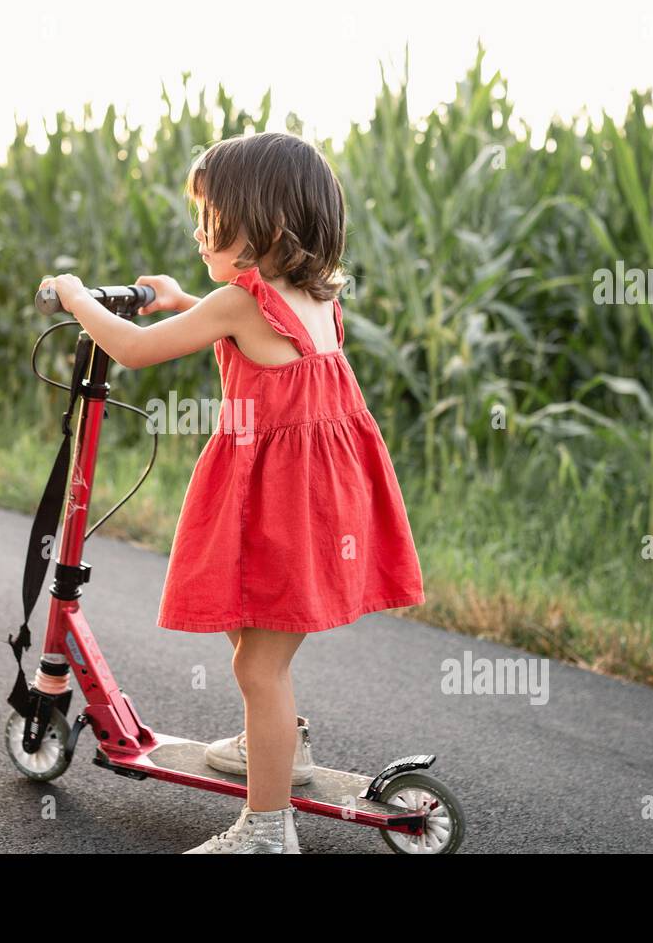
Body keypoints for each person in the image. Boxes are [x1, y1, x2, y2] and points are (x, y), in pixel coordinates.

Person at [37, 131, 425, 853]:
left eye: (210, 219)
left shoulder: (241, 303)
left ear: (264, 231)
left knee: (256, 663)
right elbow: (241, 332)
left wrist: (73, 297)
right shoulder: (307, 298)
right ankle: (280, 747)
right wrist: (180, 299)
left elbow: (134, 349)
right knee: (251, 629)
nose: (197, 231)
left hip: (281, 505)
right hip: (317, 505)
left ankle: (267, 832)